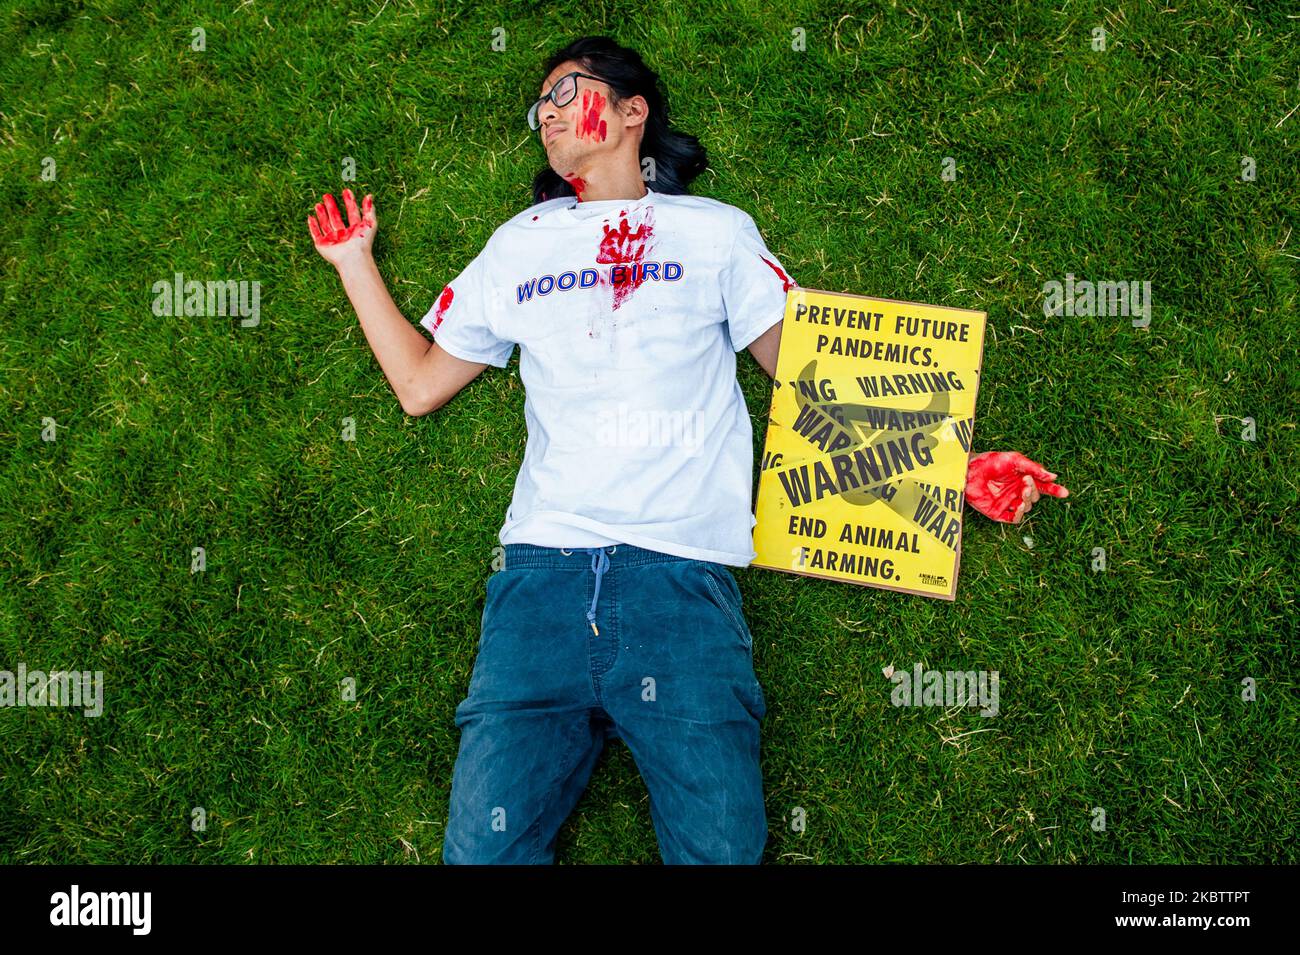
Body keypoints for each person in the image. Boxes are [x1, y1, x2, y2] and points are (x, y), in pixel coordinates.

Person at [307, 36, 1069, 865]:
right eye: (541, 108)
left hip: (680, 584)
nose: (550, 113)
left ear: (633, 112)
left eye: (568, 90)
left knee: (721, 853)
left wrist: (951, 469)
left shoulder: (713, 233)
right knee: (480, 855)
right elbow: (420, 385)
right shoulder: (520, 242)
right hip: (539, 585)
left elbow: (808, 371)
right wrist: (353, 264)